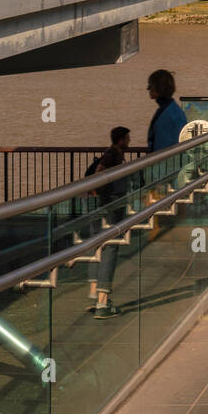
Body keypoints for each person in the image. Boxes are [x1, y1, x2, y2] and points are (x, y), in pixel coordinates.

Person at [85, 126, 130, 319]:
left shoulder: (112, 153)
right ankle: (103, 303)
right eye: (127, 138)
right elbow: (100, 172)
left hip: (99, 204)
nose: (129, 141)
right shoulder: (113, 154)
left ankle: (94, 293)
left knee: (97, 243)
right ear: (121, 140)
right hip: (109, 204)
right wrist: (102, 197)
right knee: (111, 245)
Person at [146, 68, 188, 152]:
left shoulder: (168, 114)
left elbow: (162, 146)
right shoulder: (172, 110)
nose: (148, 89)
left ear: (158, 88)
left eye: (150, 86)